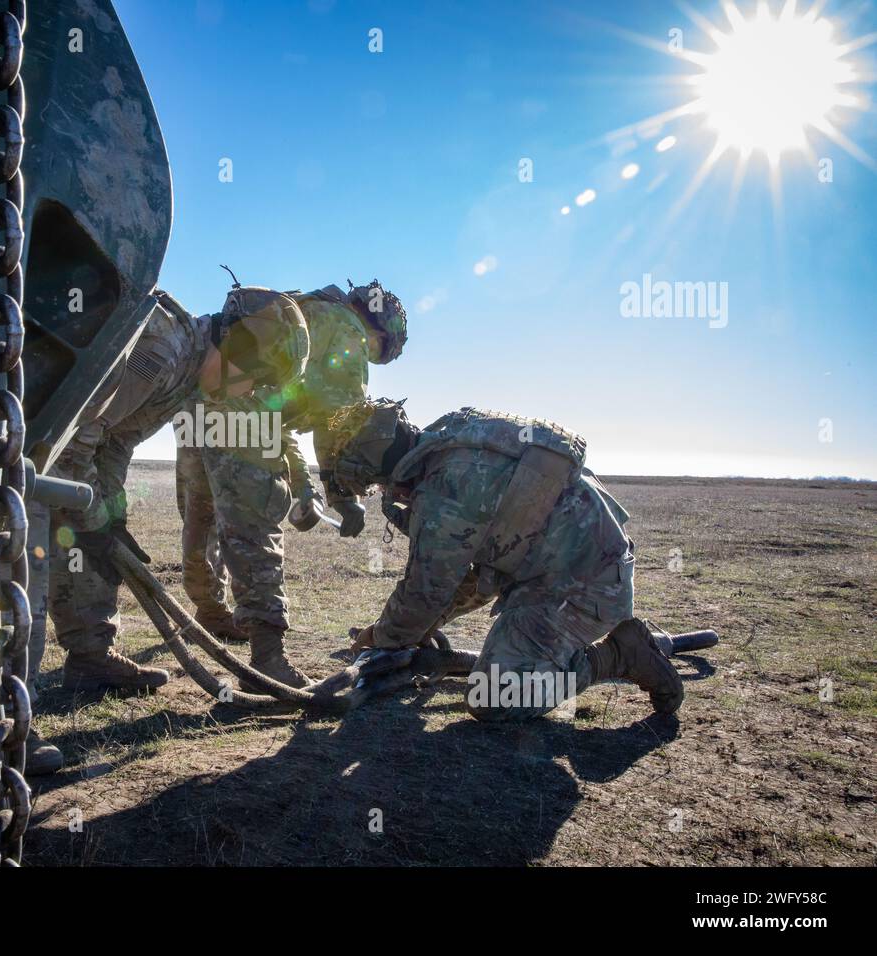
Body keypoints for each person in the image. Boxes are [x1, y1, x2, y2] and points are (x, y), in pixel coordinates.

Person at [328, 399, 684, 721]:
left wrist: (382, 635)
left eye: (374, 486)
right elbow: (478, 574)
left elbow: (425, 591)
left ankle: (618, 655)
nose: (384, 493)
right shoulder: (455, 435)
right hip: (579, 572)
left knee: (492, 697)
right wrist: (420, 627)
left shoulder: (442, 494)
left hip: (580, 591)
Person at [46, 284, 310, 696]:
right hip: (17, 444)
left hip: (62, 456)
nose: (247, 394)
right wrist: (94, 516)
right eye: (252, 379)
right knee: (24, 555)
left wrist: (109, 512)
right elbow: (72, 436)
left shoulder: (187, 375)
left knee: (95, 542)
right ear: (235, 348)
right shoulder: (163, 351)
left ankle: (90, 659)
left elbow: (115, 439)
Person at [176, 280, 408, 688]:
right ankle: (267, 657)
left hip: (200, 400)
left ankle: (211, 612)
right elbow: (336, 421)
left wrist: (304, 484)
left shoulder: (306, 308)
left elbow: (277, 420)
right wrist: (344, 497)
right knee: (255, 521)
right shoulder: (346, 331)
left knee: (203, 512)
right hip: (241, 412)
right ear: (379, 333)